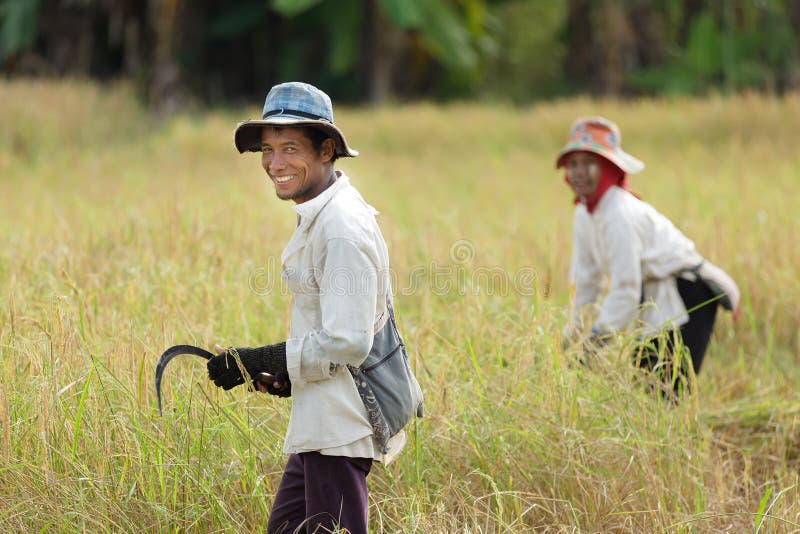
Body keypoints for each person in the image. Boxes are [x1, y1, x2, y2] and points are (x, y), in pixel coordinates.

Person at [206, 81, 402, 533]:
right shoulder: (321, 212)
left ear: (326, 150)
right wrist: (289, 375)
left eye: (291, 148)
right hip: (322, 418)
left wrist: (261, 358)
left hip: (339, 425)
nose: (275, 163)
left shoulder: (340, 228)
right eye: (268, 149)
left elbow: (350, 340)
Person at [557, 116, 740, 395]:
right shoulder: (584, 213)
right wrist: (569, 338)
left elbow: (626, 288)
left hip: (689, 293)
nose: (579, 172)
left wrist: (595, 341)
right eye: (573, 164)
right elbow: (584, 281)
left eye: (589, 163)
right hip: (655, 297)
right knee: (642, 388)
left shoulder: (618, 213)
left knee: (663, 392)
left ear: (607, 167)